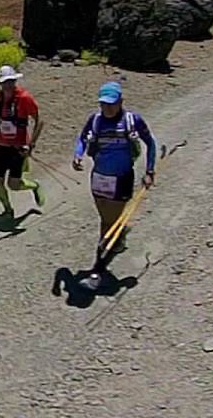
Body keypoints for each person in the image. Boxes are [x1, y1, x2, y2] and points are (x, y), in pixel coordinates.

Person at [72, 81, 156, 289]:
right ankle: (118, 237)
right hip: (99, 177)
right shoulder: (95, 120)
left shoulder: (132, 120)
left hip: (122, 179)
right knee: (106, 220)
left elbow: (150, 143)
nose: (107, 108)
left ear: (121, 102)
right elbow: (82, 138)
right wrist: (77, 154)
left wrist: (149, 171)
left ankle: (97, 271)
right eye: (103, 104)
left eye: (111, 104)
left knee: (107, 225)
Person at [0, 65, 44, 216]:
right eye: (4, 82)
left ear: (15, 81)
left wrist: (31, 144)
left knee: (14, 184)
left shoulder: (25, 98)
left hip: (18, 147)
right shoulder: (0, 96)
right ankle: (8, 210)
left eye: (10, 81)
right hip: (1, 145)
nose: (7, 85)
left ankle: (34, 186)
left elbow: (39, 121)